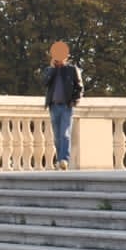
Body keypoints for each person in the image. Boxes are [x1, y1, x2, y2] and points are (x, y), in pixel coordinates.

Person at [41, 40, 82, 171]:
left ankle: (64, 159)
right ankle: (59, 160)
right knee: (57, 136)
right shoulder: (49, 70)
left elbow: (79, 87)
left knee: (65, 134)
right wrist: (53, 69)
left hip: (66, 106)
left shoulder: (72, 70)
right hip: (53, 106)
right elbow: (45, 82)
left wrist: (74, 100)